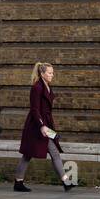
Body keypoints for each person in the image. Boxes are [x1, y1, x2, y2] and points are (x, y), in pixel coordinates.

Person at [15, 62, 75, 192]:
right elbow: (35, 109)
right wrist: (42, 126)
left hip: (45, 125)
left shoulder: (47, 86)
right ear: (42, 73)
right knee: (29, 154)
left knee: (50, 152)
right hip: (36, 126)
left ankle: (65, 181)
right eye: (49, 73)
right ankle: (65, 181)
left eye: (52, 73)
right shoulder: (37, 87)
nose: (52, 75)